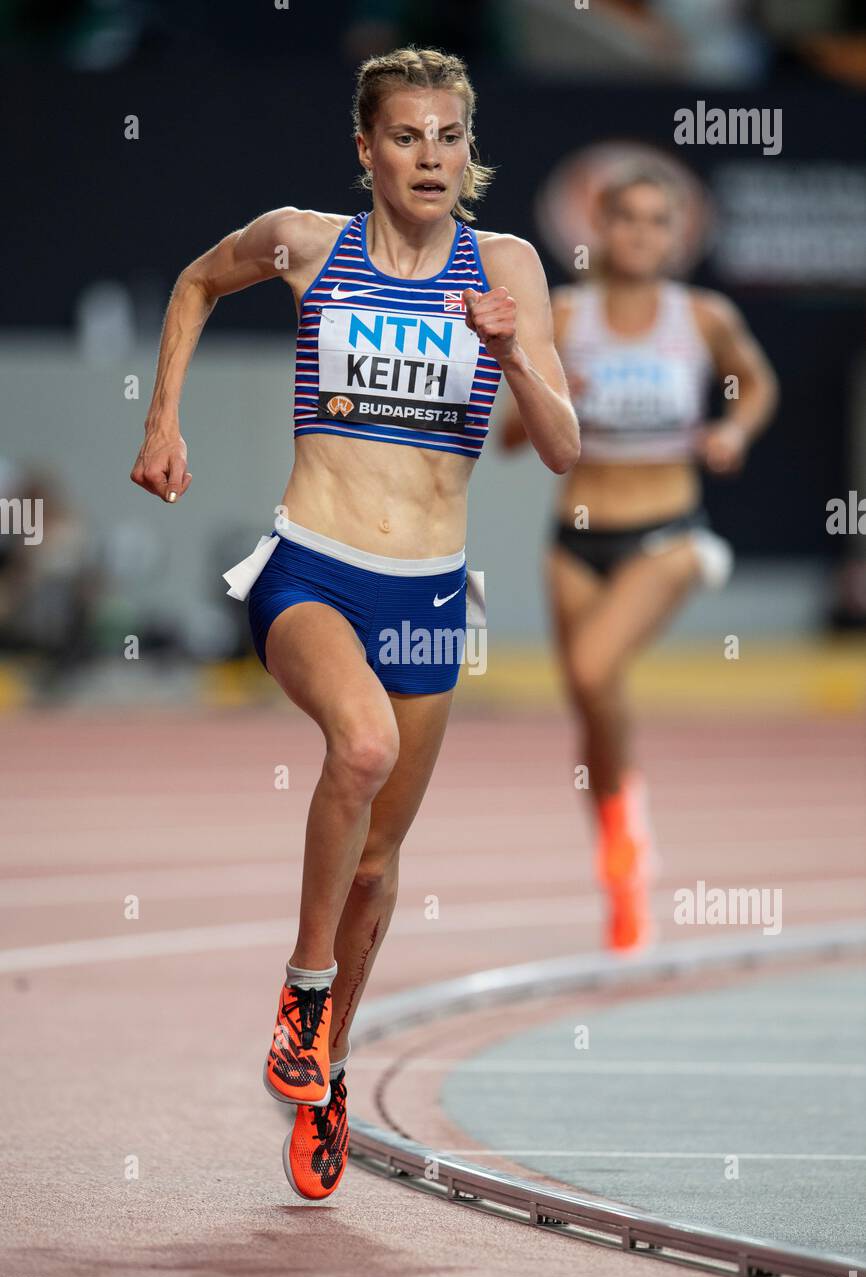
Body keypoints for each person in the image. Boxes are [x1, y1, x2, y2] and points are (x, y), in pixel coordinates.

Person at [131, 45, 580, 1200]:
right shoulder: (304, 241)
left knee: (380, 859)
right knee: (362, 745)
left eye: (448, 138)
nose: (428, 157)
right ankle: (302, 983)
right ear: (365, 150)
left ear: (468, 153)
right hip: (312, 566)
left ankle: (324, 1068)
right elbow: (191, 282)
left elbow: (568, 446)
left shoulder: (511, 265)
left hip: (433, 592)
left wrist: (513, 353)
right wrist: (162, 421)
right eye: (405, 137)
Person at [502, 162, 778, 953]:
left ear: (677, 236)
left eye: (660, 221)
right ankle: (622, 872)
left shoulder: (702, 316)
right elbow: (514, 442)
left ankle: (633, 838)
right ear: (601, 230)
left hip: (665, 531)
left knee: (592, 672)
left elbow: (756, 385)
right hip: (575, 539)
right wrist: (549, 389)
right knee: (591, 708)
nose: (642, 234)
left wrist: (732, 430)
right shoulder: (563, 314)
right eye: (628, 219)